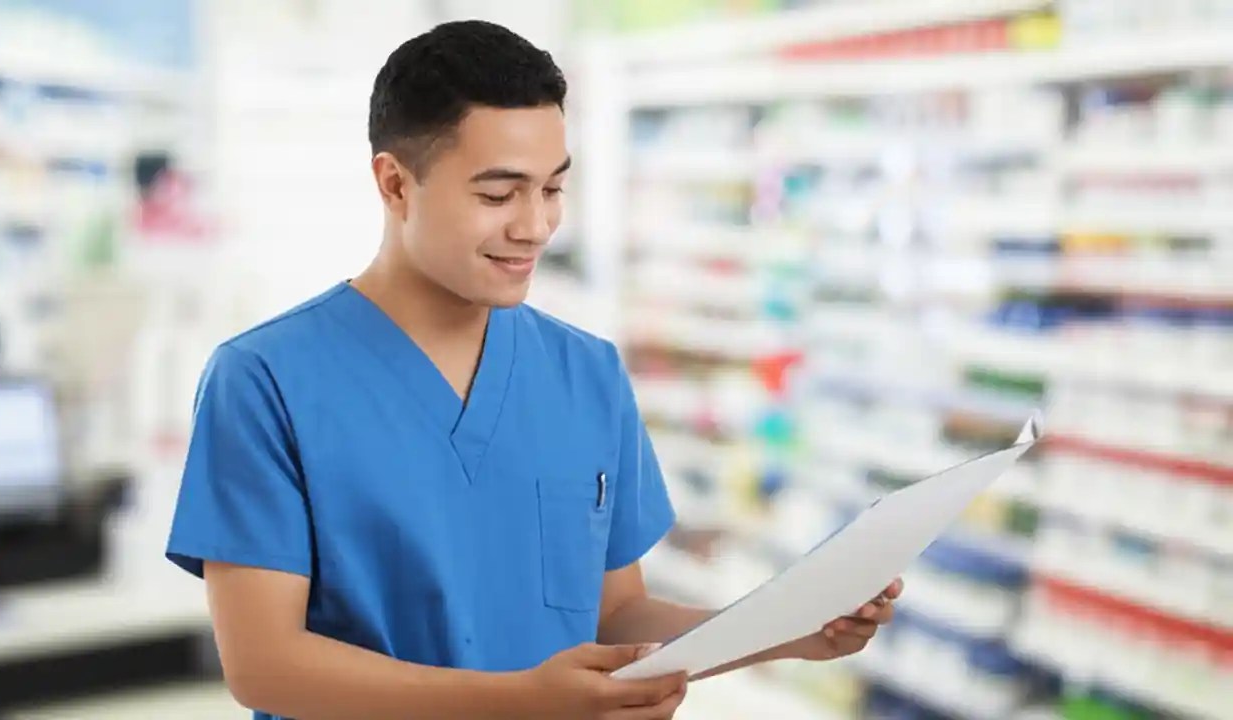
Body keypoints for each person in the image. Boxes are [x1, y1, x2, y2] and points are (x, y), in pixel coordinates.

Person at [165, 19, 902, 720]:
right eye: (498, 194)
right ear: (394, 185)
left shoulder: (588, 373)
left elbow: (615, 616)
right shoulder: (265, 382)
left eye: (551, 188)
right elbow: (264, 664)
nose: (536, 226)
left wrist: (791, 630)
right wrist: (519, 702)